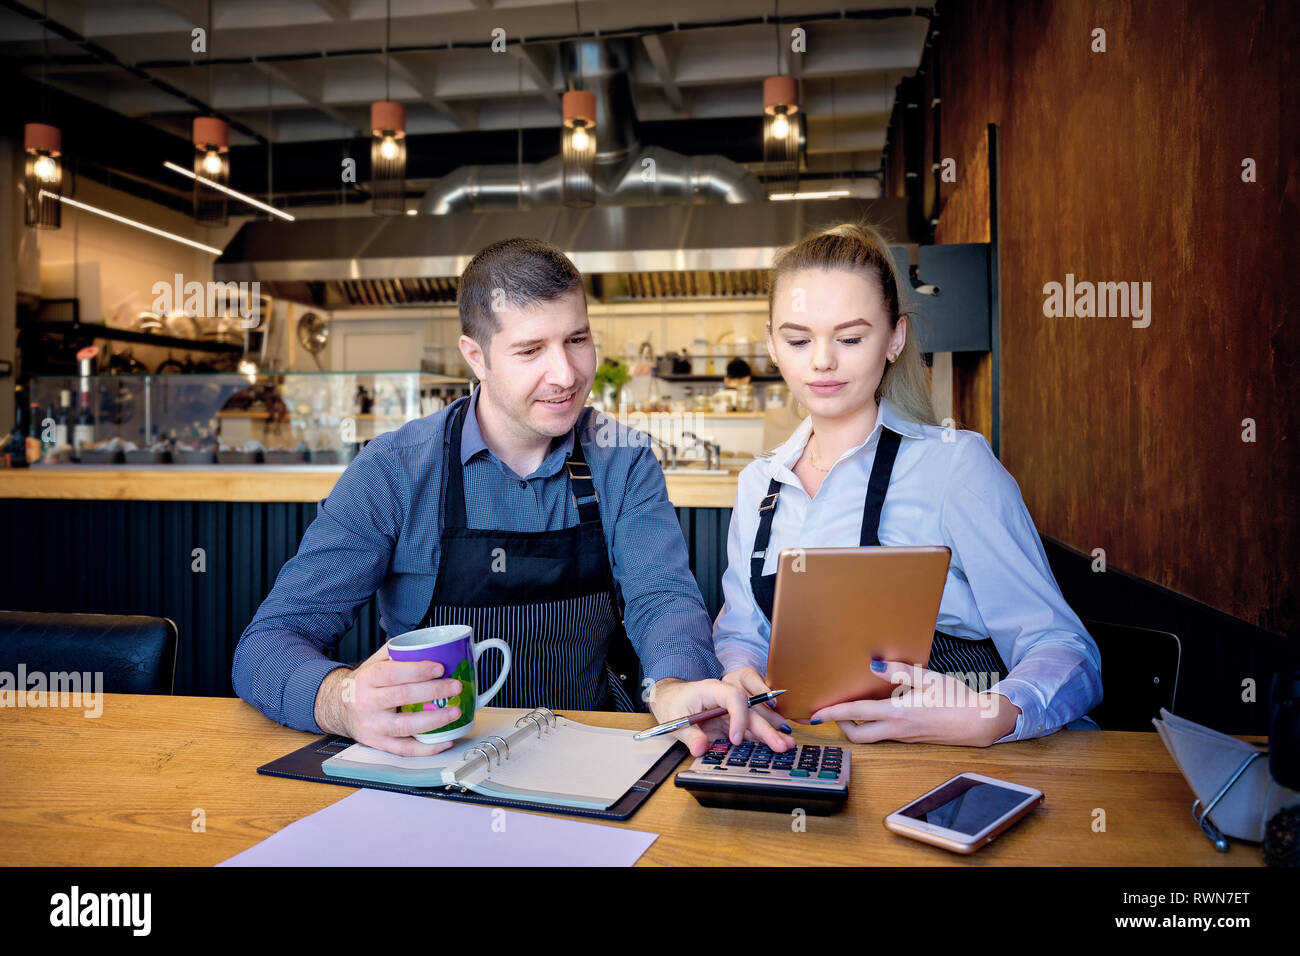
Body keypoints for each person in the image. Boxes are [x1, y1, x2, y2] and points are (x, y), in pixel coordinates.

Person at [233, 237, 795, 758]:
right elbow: (268, 645)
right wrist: (344, 700)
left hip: (589, 755)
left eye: (577, 340)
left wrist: (673, 685)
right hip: (436, 764)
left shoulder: (622, 458)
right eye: (531, 350)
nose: (567, 373)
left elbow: (662, 599)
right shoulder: (394, 470)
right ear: (475, 357)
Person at [714, 222, 1102, 746]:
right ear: (772, 345)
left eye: (850, 338)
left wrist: (992, 716)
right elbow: (741, 634)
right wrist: (738, 671)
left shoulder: (955, 466)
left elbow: (1064, 647)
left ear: (894, 339)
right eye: (798, 339)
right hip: (808, 750)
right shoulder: (759, 485)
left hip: (945, 760)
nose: (822, 360)